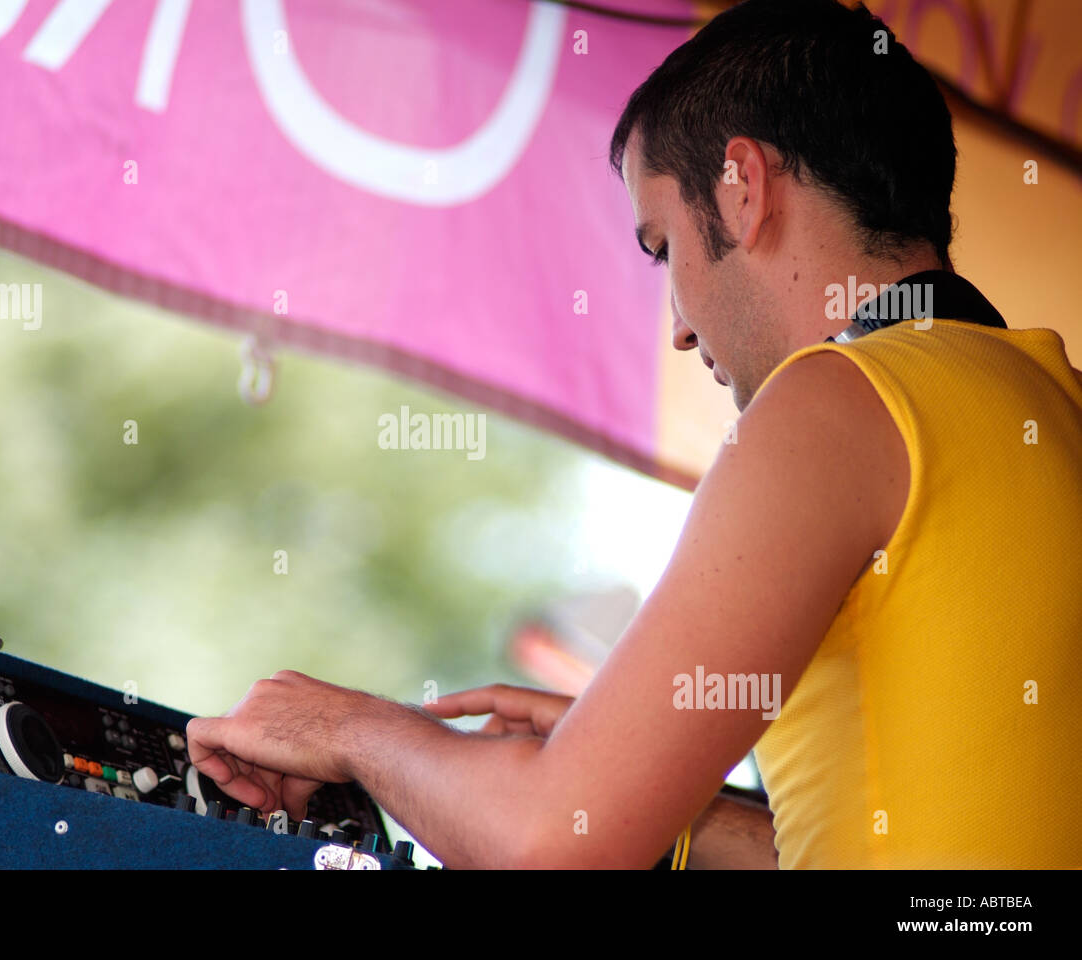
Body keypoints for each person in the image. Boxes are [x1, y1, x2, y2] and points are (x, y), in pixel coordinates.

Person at [187, 0, 1082, 868]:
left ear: (743, 188)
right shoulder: (1050, 399)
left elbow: (546, 845)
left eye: (662, 248)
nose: (682, 328)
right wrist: (652, 793)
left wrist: (347, 729)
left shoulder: (836, 401)